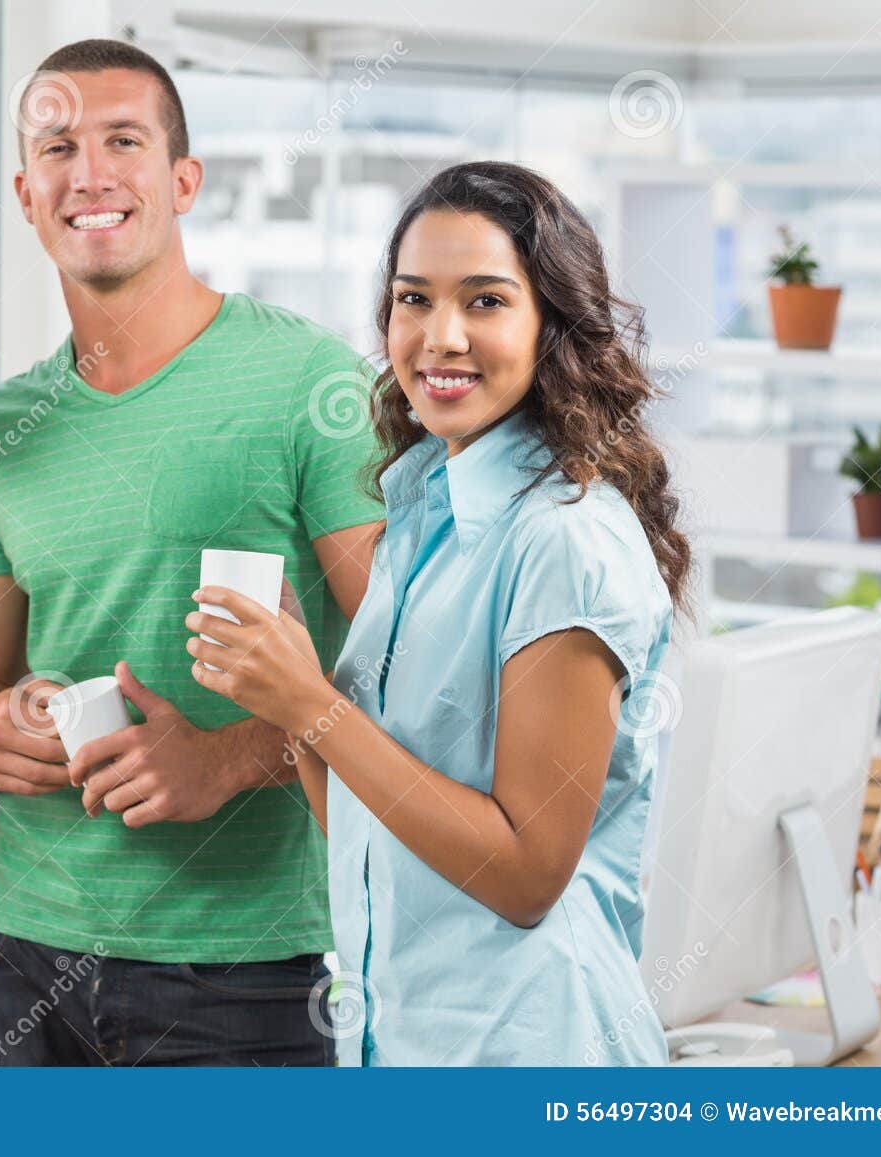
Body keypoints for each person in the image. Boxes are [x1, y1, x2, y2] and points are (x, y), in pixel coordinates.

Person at [0, 38, 384, 1066]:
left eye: (122, 141)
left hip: (243, 963)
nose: (88, 173)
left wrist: (226, 758)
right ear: (25, 192)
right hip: (22, 948)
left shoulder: (310, 385)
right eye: (58, 148)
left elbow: (409, 679)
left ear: (183, 180)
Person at [186, 161, 690, 1066]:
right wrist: (292, 698)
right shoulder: (421, 509)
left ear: (553, 326)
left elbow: (528, 872)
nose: (439, 335)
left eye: (485, 301)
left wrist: (314, 707)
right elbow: (372, 838)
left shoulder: (561, 541)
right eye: (413, 299)